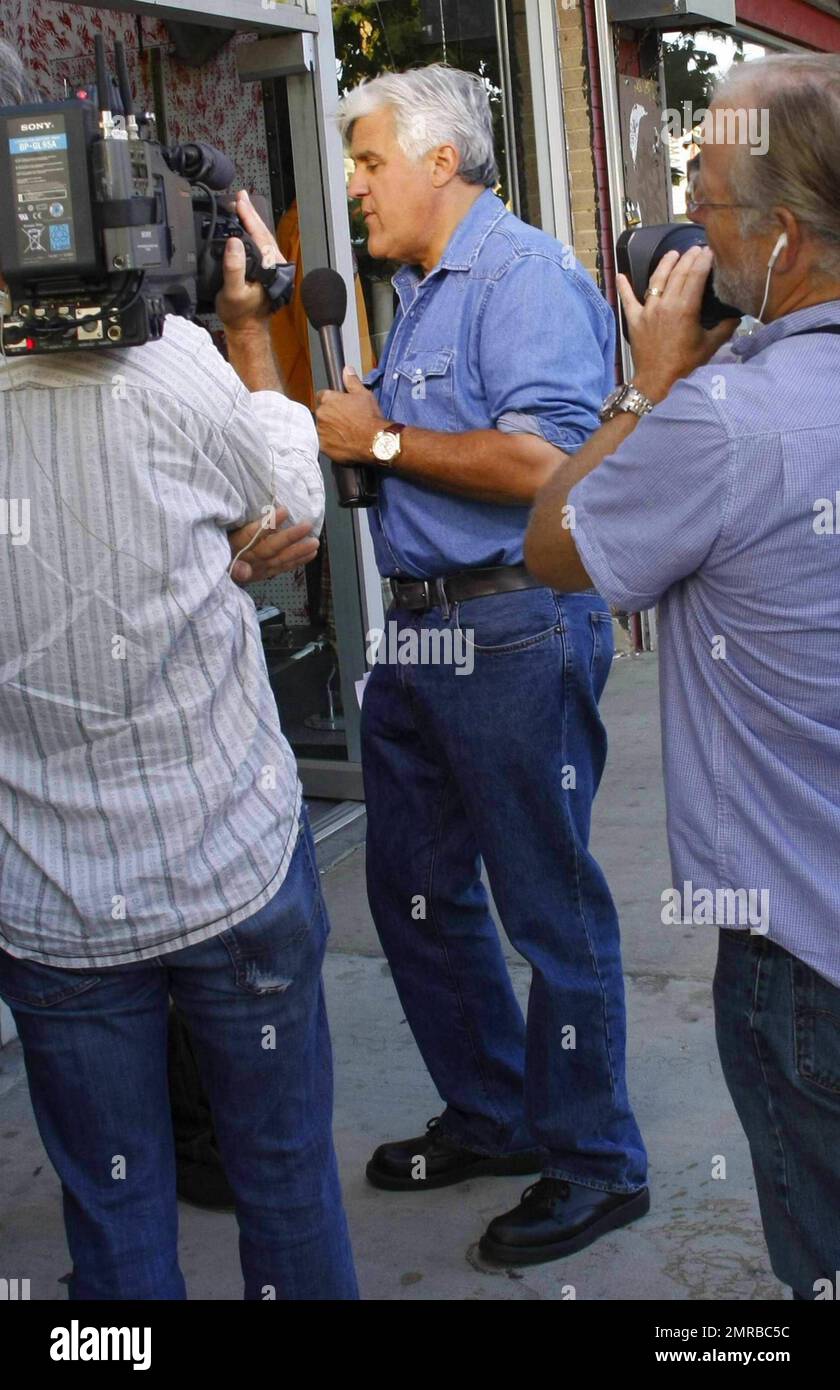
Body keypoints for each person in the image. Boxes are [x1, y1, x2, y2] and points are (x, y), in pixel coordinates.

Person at [0, 38, 357, 1300]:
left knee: (114, 1224)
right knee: (285, 1183)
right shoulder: (177, 373)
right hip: (229, 872)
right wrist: (252, 330)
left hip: (54, 909)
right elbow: (291, 497)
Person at [316, 64, 648, 1267]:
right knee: (413, 888)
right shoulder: (418, 289)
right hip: (422, 632)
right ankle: (499, 1110)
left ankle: (597, 1162)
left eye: (366, 162)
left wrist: (387, 438)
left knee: (550, 912)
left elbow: (556, 467)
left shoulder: (526, 278)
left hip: (513, 628)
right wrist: (376, 437)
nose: (353, 185)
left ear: (439, 162)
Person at [526, 53, 840, 1300]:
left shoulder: (719, 424)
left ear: (783, 235)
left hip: (800, 956)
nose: (683, 237)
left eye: (703, 204)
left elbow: (556, 545)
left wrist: (648, 385)